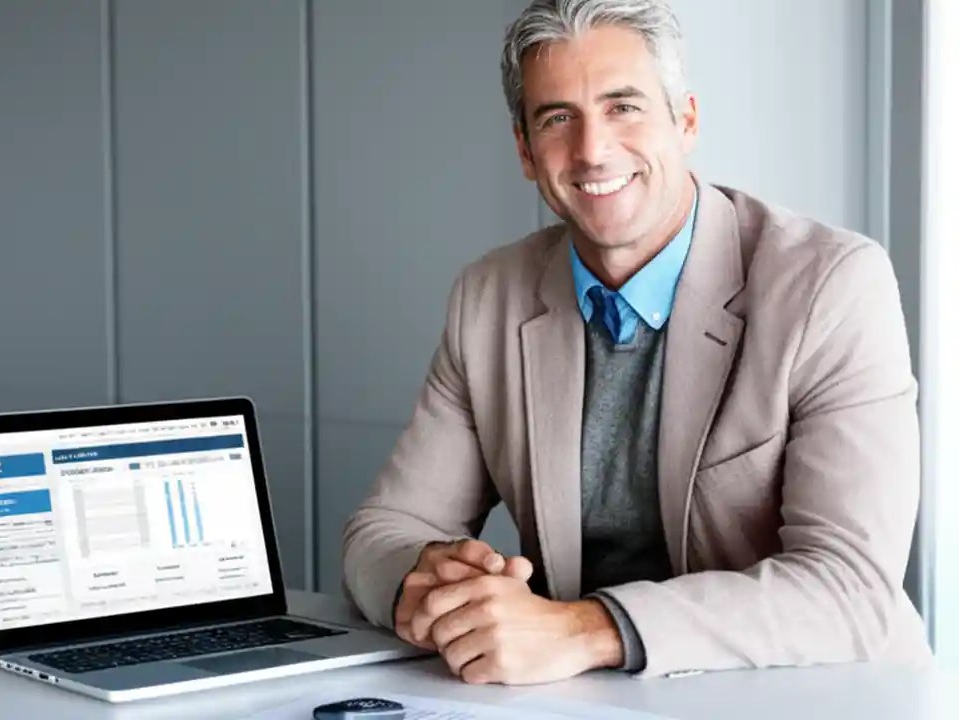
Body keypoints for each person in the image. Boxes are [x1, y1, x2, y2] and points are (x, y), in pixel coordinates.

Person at [341, 0, 930, 685]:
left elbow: (848, 587)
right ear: (526, 153)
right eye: (557, 118)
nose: (592, 149)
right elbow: (380, 532)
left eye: (624, 107)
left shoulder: (829, 284)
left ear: (685, 120)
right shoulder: (489, 297)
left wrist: (587, 627)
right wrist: (428, 578)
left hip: (820, 693)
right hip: (590, 699)